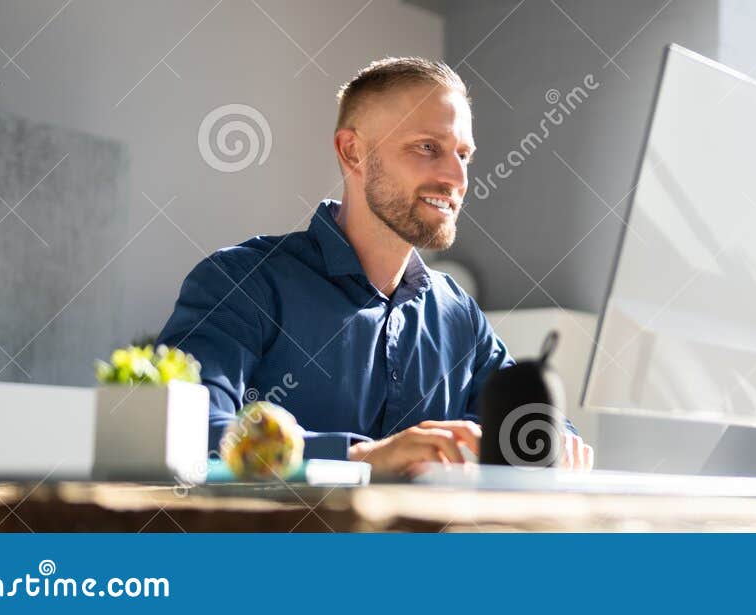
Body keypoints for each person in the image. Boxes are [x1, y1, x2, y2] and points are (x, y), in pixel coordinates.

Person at [156, 57, 593, 477]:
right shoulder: (241, 284)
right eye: (427, 148)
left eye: (463, 155)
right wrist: (358, 457)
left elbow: (526, 426)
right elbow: (187, 433)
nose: (456, 178)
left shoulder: (459, 315)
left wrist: (553, 441)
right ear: (353, 152)